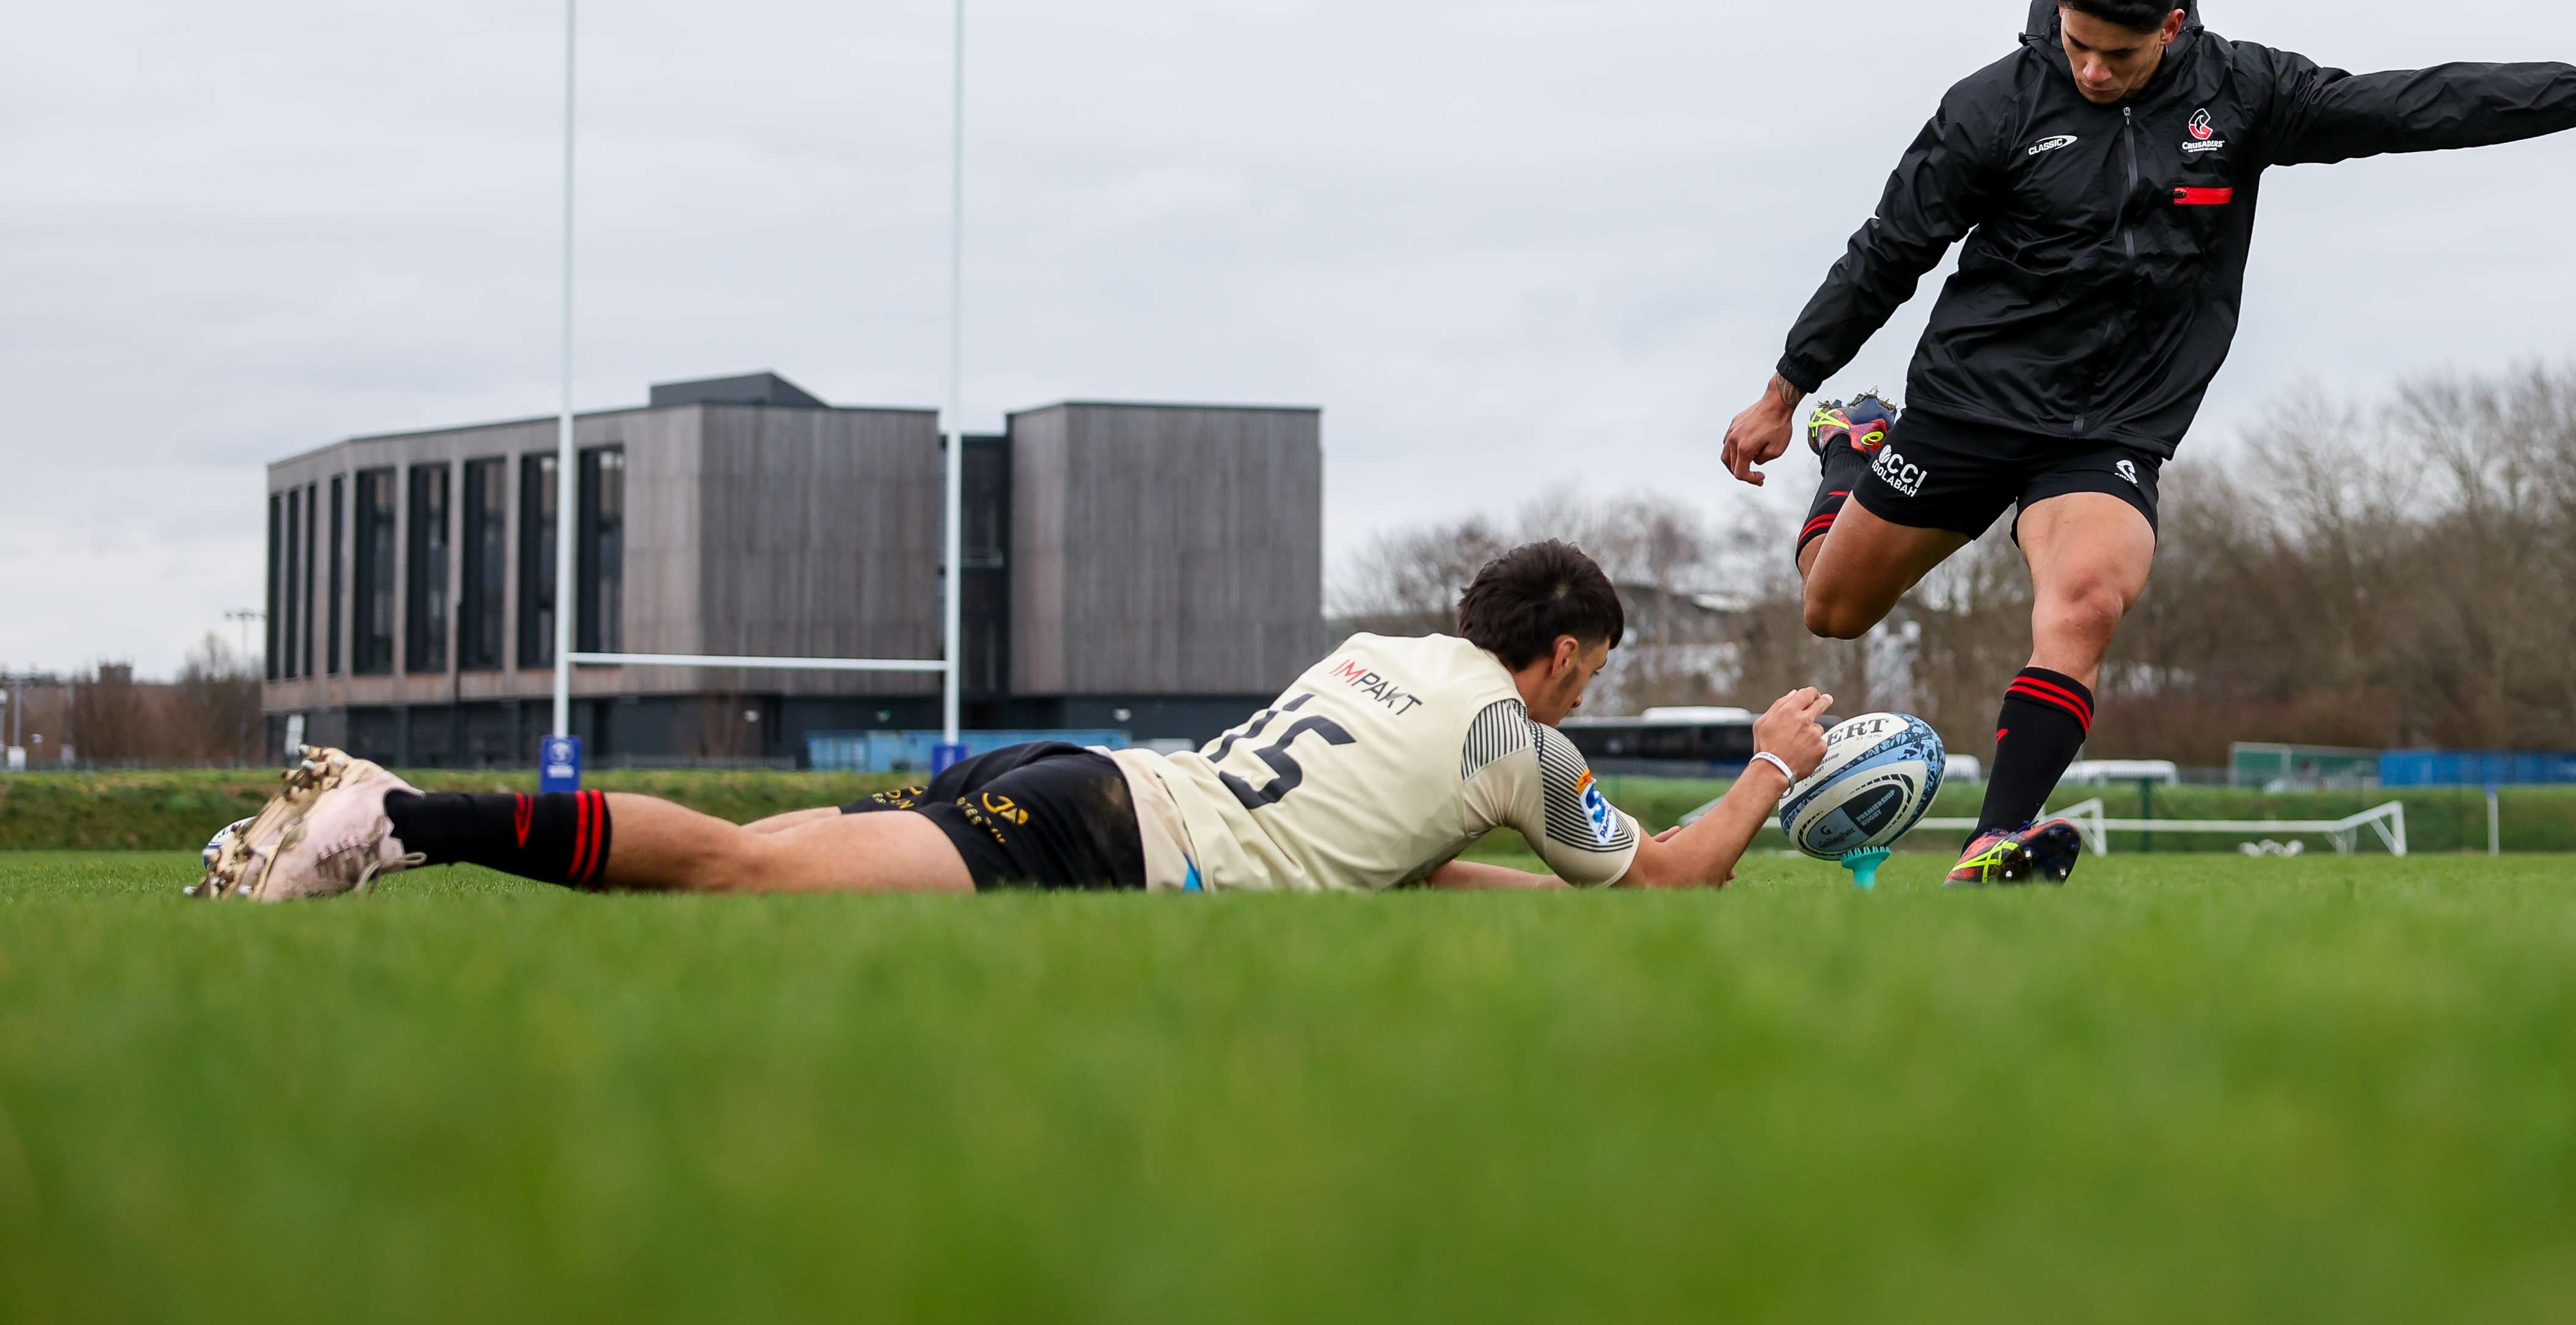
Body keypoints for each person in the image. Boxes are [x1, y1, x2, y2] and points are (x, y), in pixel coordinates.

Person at [1720, 0, 2576, 884]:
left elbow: (2409, 105)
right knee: (1834, 609)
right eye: (2076, 44)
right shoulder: (1993, 106)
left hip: (2114, 423)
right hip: (1973, 402)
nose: (2091, 71)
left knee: (2088, 601)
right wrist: (1786, 388)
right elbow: (1887, 252)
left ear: (2173, 25)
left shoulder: (2242, 93)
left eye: (2117, 53)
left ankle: (1996, 841)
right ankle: (1853, 451)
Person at [196, 541, 1832, 902]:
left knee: (749, 854)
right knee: (734, 874)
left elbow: (1375, 855)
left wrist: (1509, 891)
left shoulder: (1375, 651)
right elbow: (1673, 879)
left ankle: (387, 818)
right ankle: (394, 820)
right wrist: (1772, 763)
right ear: (1560, 656)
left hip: (1087, 780)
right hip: (1102, 841)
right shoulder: (1520, 745)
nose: (1586, 700)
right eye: (1590, 675)